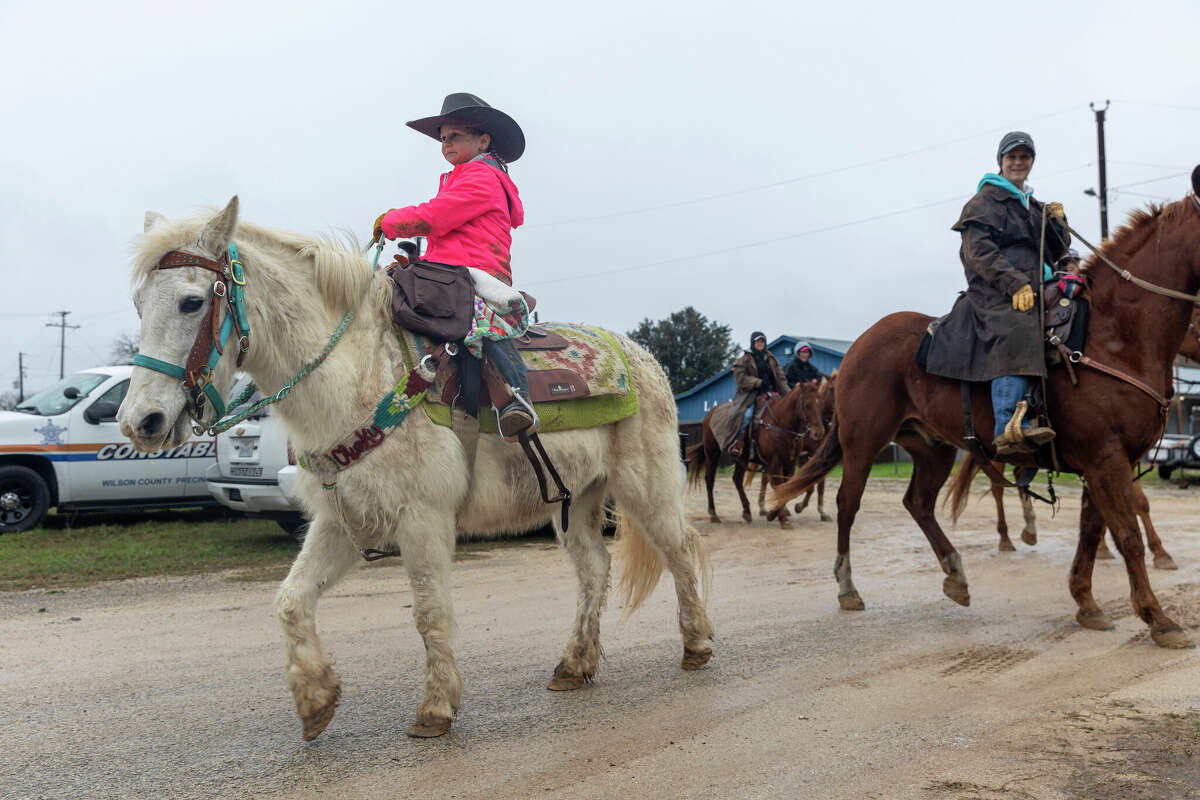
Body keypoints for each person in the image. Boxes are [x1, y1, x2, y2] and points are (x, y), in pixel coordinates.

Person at [372, 93, 535, 438]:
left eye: (454, 136)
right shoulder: (464, 175)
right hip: (450, 269)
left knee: (483, 323)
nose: (446, 144)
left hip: (476, 272)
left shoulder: (482, 177)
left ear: (483, 140)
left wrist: (391, 221)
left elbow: (435, 217)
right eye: (443, 138)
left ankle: (517, 398)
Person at [924, 131, 1071, 457]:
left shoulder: (1032, 205)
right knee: (1016, 328)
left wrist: (1059, 226)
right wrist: (1014, 284)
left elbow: (1053, 253)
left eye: (1025, 157)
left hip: (1037, 286)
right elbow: (978, 252)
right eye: (1012, 157)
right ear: (1001, 162)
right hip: (995, 293)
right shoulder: (984, 201)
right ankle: (1007, 426)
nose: (1018, 162)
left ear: (1031, 162)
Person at [725, 332, 789, 459]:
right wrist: (758, 382)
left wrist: (789, 394)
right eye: (757, 342)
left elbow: (781, 379)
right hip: (751, 395)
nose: (760, 344)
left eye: (762, 341)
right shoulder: (744, 360)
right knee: (747, 415)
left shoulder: (771, 359)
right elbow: (740, 378)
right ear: (753, 343)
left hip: (773, 393)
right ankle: (738, 443)